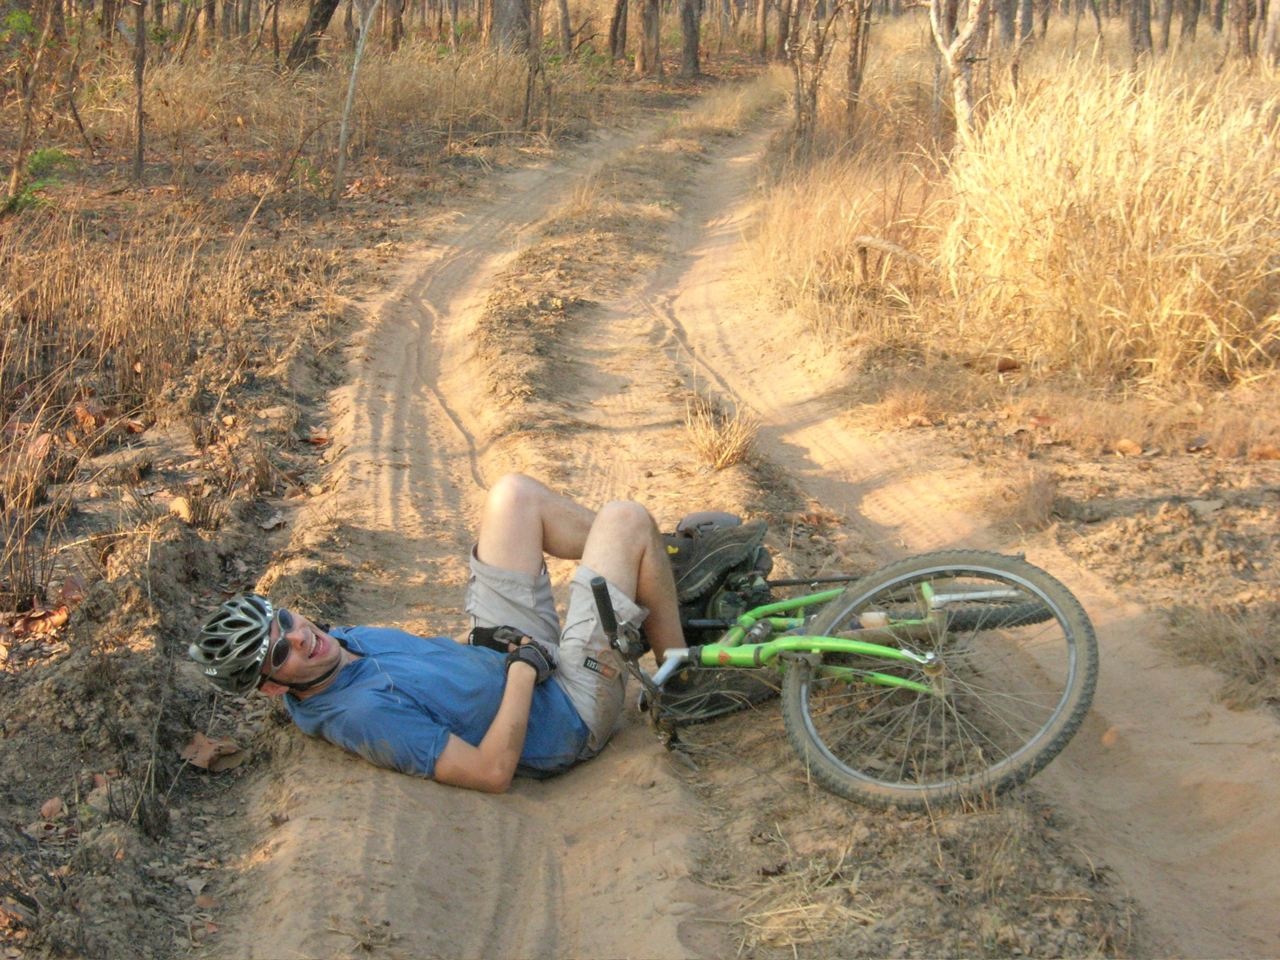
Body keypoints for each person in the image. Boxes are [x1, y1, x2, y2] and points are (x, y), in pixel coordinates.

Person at [189, 474, 763, 793]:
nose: (300, 637)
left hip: (511, 655)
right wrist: (523, 673)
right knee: (625, 517)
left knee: (512, 497)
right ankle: (681, 678)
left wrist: (499, 651)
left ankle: (656, 561)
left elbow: (434, 672)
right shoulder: (360, 715)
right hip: (565, 711)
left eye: (285, 621)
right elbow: (490, 772)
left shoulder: (332, 648)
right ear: (273, 687)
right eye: (281, 652)